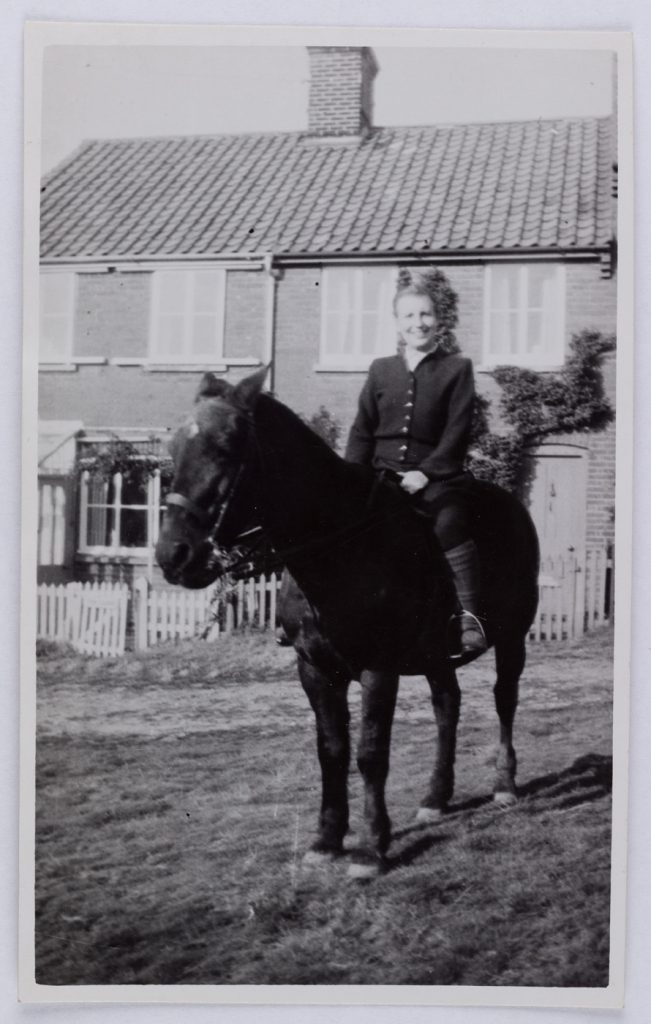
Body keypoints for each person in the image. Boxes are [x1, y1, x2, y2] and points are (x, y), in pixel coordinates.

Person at [345, 267, 486, 657]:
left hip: (437, 478)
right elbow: (362, 430)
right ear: (397, 322)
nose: (418, 322)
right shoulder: (381, 369)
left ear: (438, 320)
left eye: (425, 314)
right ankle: (311, 613)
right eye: (409, 315)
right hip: (380, 476)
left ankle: (468, 618)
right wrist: (353, 477)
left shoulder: (457, 368)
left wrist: (425, 473)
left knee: (448, 522)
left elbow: (457, 432)